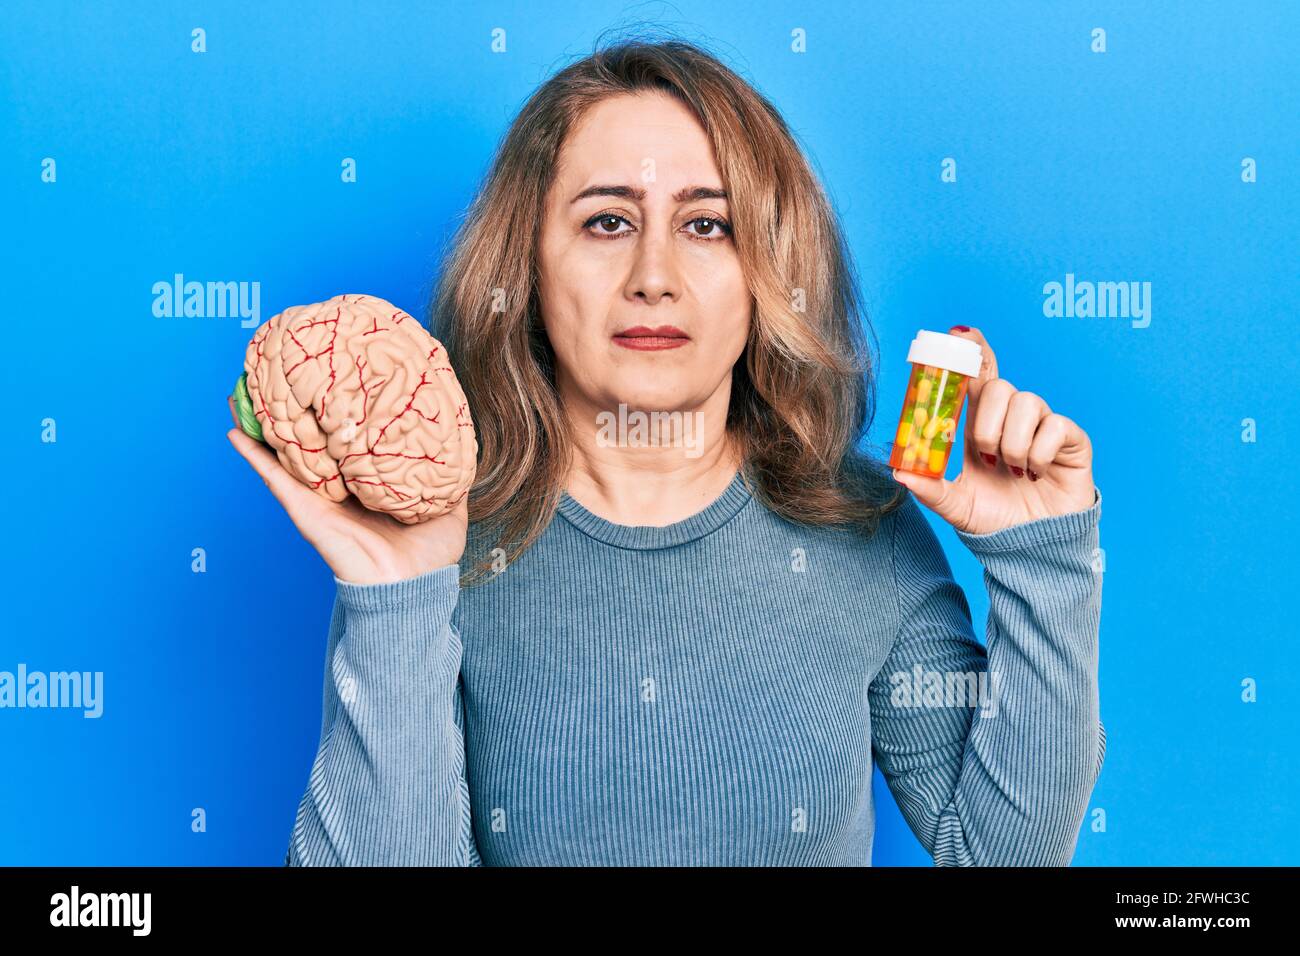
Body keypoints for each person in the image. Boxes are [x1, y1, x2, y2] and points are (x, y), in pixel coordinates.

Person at [227, 37, 1105, 866]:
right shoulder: (441, 545)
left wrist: (1046, 561)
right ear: (528, 265)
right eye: (608, 222)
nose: (655, 275)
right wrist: (395, 601)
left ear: (771, 267)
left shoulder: (863, 529)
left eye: (708, 226)